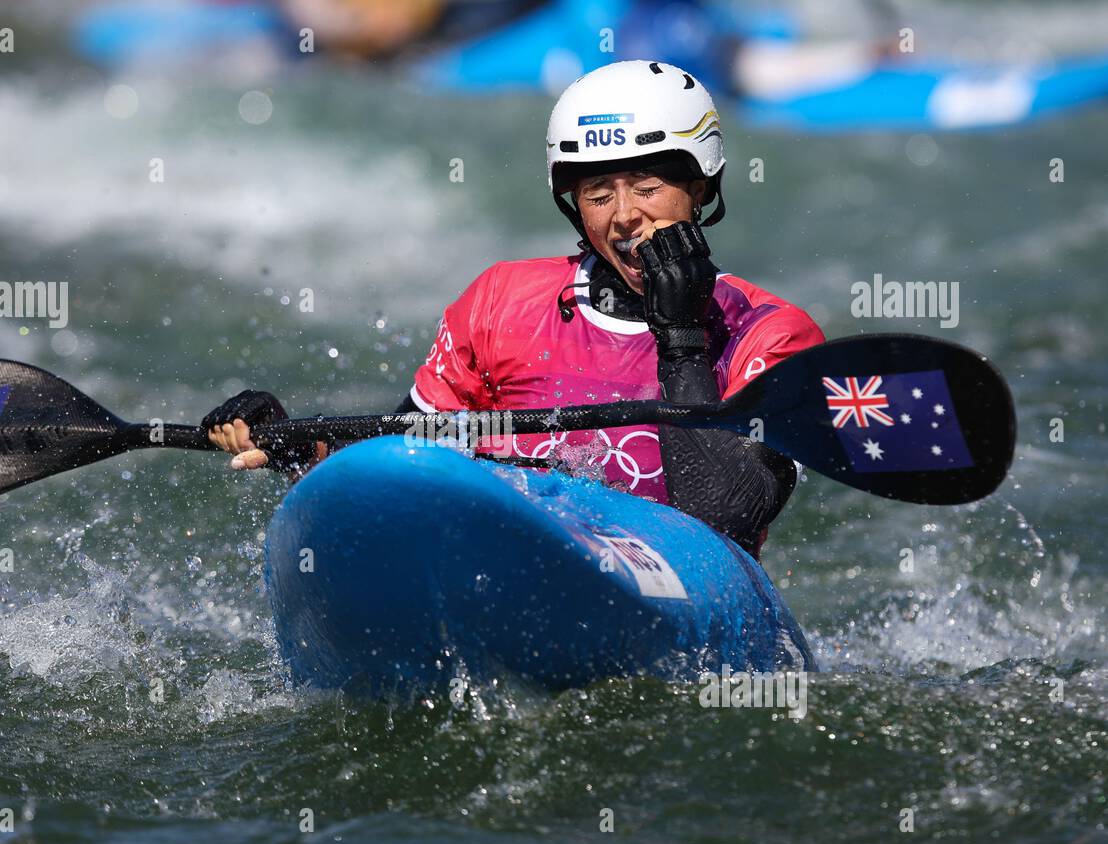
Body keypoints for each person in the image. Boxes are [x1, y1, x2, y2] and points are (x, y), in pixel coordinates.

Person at [204, 60, 823, 557]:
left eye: (648, 186)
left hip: (679, 594)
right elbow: (407, 456)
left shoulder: (769, 333)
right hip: (513, 560)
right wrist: (302, 445)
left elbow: (726, 515)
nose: (625, 214)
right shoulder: (502, 302)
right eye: (598, 192)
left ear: (701, 187)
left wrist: (682, 333)